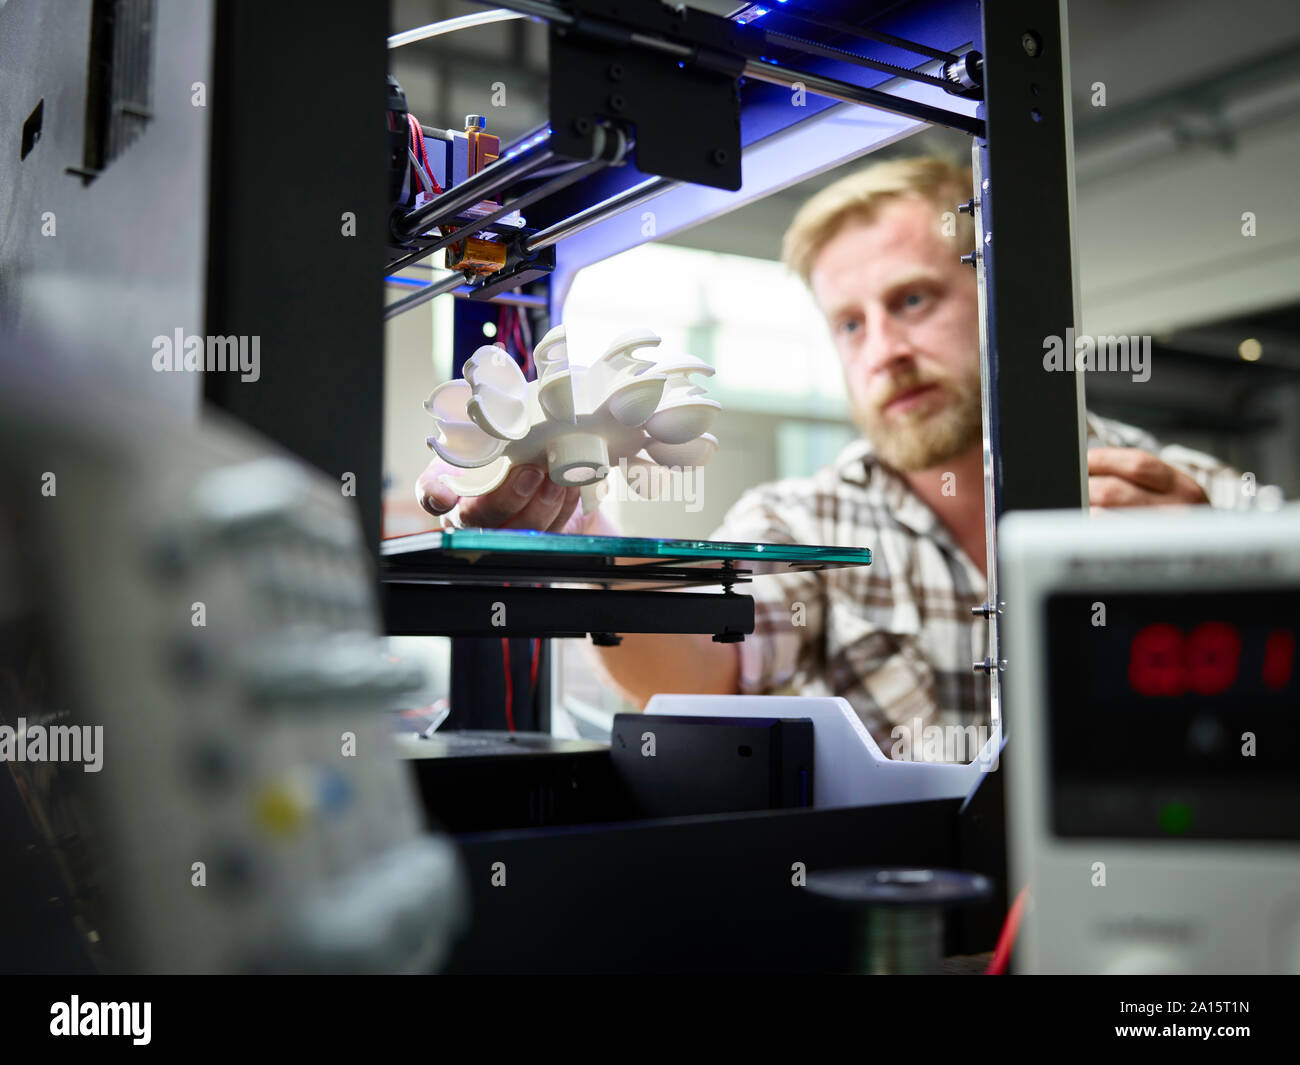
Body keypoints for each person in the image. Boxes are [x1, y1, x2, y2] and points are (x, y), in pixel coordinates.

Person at [415, 157, 1242, 753]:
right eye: (850, 323)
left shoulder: (1188, 495)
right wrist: (588, 539)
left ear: (1008, 292)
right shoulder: (801, 522)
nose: (883, 351)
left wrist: (1221, 578)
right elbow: (698, 669)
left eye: (912, 299)